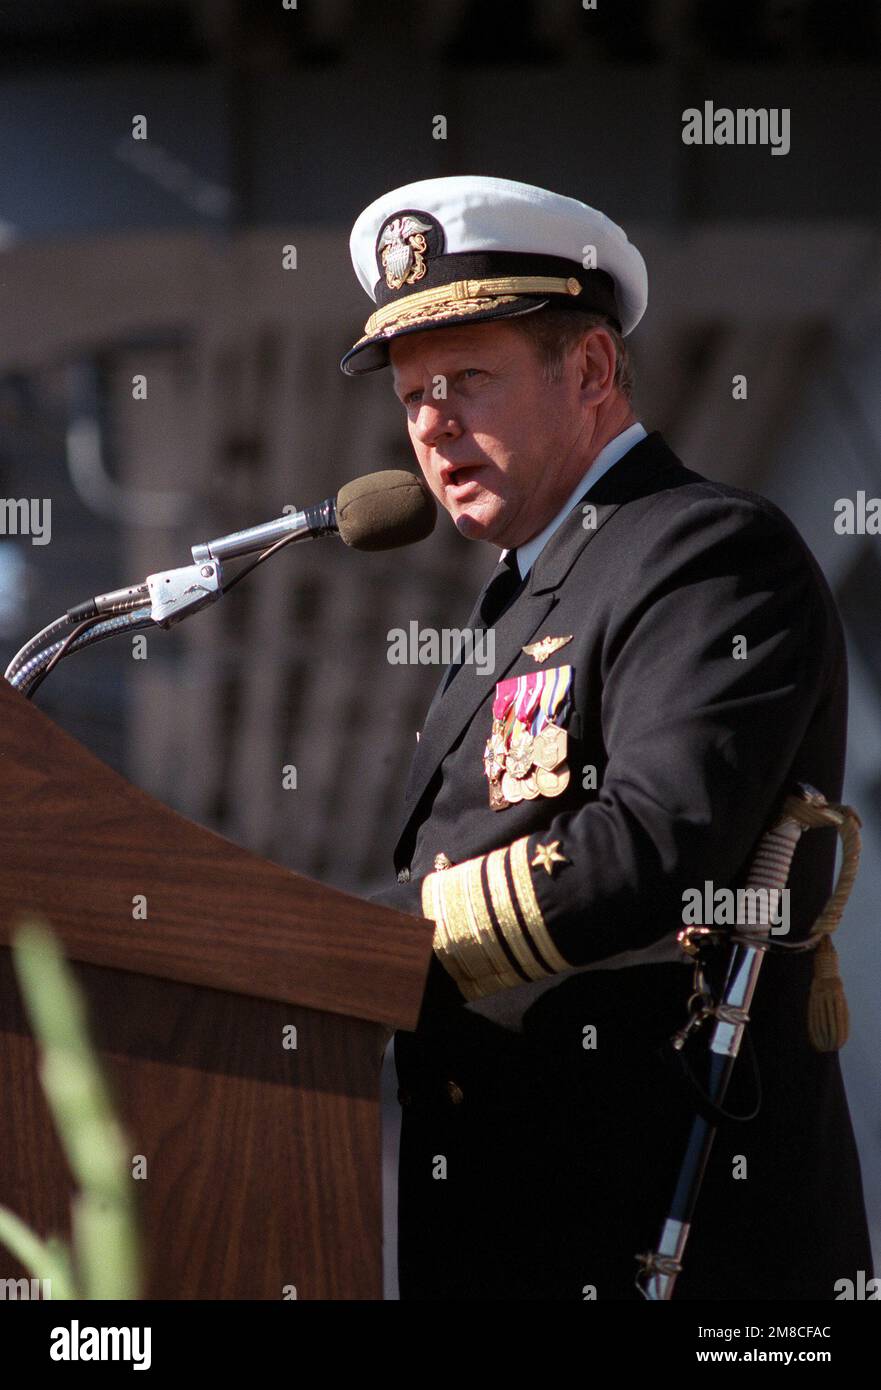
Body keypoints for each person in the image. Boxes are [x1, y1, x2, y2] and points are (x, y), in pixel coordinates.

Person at [340, 174, 873, 1300]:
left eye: (465, 381)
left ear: (587, 370)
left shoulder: (702, 552)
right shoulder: (522, 597)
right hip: (518, 1226)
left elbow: (650, 845)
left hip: (666, 1232)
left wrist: (349, 943)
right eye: (411, 395)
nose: (431, 426)